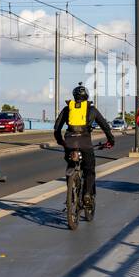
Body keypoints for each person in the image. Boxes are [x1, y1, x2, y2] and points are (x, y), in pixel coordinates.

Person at [53, 83, 115, 214]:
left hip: (70, 142)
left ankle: (71, 193)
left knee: (70, 166)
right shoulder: (92, 109)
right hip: (85, 142)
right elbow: (105, 126)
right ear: (87, 96)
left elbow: (57, 128)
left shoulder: (67, 108)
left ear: (74, 96)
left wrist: (61, 141)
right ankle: (87, 194)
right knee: (89, 170)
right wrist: (111, 140)